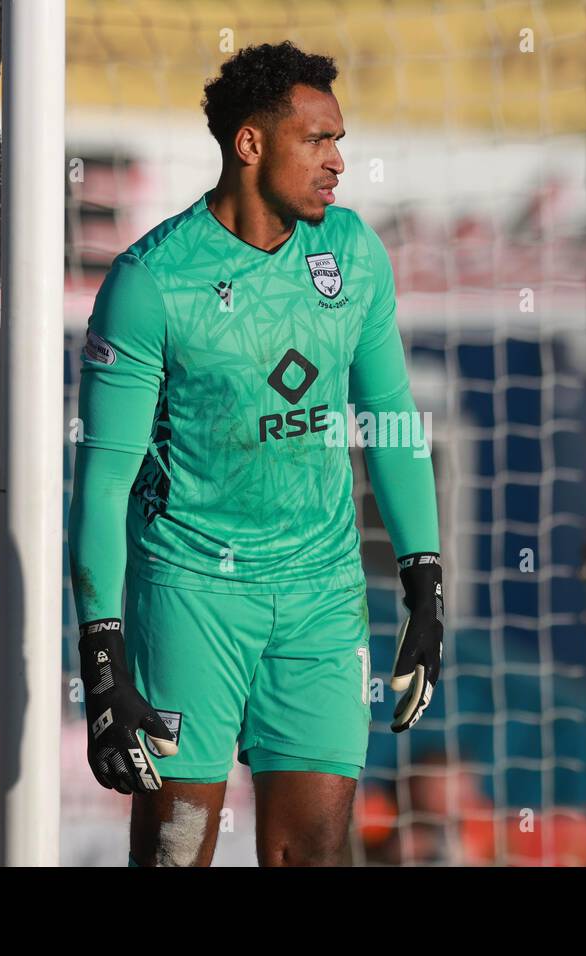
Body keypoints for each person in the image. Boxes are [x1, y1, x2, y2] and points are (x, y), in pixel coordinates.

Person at [67, 40, 443, 866]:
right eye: (318, 140)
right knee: (177, 851)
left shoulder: (351, 254)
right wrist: (102, 659)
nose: (338, 162)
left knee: (311, 853)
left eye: (339, 141)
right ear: (251, 144)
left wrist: (424, 581)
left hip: (322, 594)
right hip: (192, 594)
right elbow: (101, 484)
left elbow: (390, 418)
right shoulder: (151, 281)